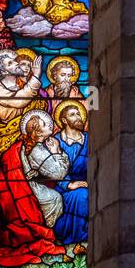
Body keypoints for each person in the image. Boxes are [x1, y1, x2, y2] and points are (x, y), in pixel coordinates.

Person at [0, 109, 67, 267]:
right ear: (36, 132)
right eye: (44, 124)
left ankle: (42, 237)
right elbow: (59, 172)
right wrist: (56, 151)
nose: (49, 124)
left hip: (26, 187)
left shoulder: (29, 146)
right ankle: (41, 238)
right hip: (26, 192)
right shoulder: (36, 149)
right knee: (56, 198)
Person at [52, 100, 88, 250]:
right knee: (81, 196)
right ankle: (75, 239)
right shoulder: (55, 142)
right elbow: (51, 169)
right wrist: (68, 184)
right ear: (64, 120)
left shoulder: (89, 139)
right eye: (73, 115)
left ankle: (82, 240)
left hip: (86, 183)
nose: (78, 117)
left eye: (78, 113)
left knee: (84, 194)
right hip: (62, 185)